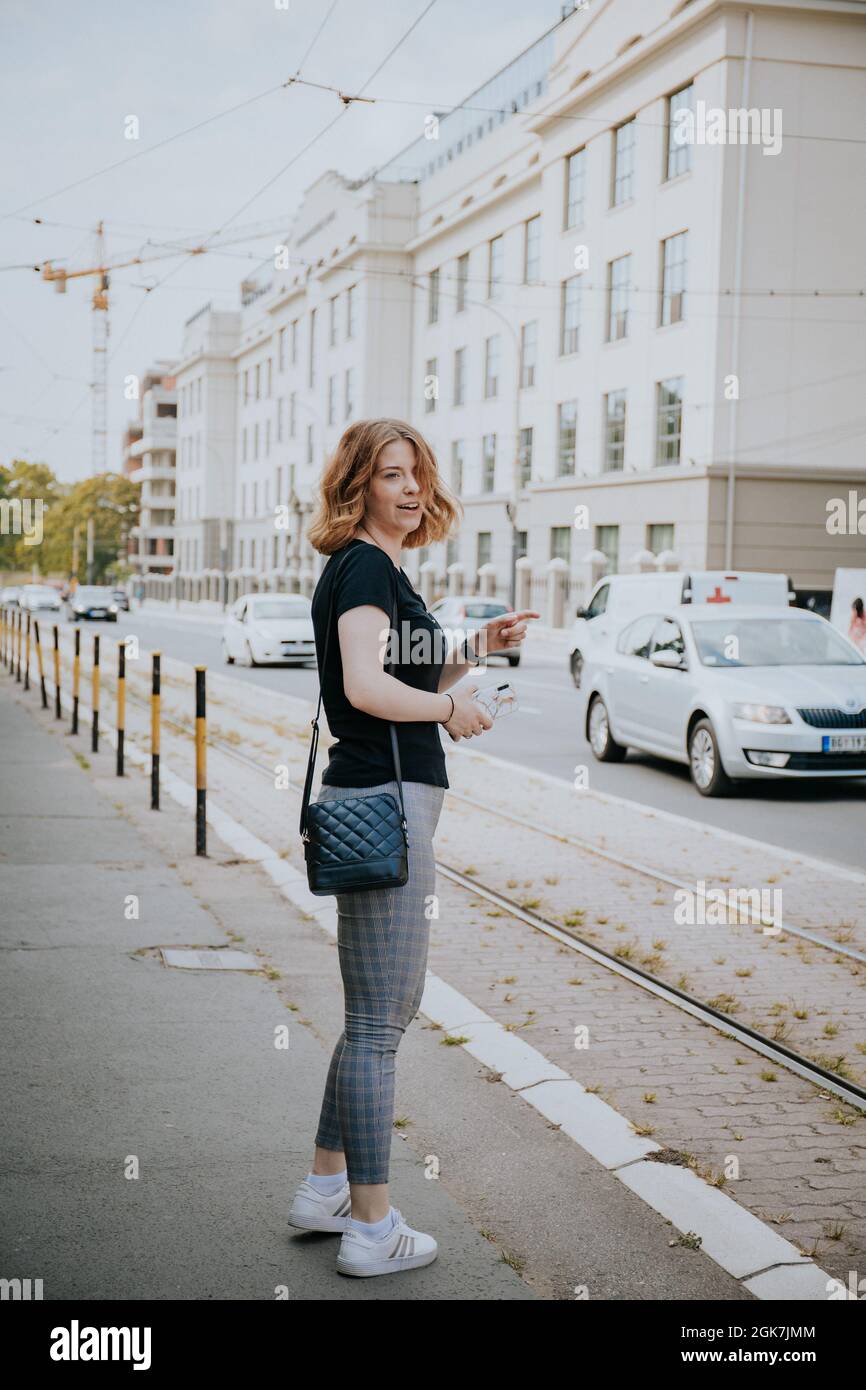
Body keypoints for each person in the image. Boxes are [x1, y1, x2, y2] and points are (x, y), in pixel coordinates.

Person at [287, 418, 539, 1277]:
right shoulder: (362, 564)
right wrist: (451, 712)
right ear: (357, 484)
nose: (411, 489)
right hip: (385, 801)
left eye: (419, 475)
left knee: (371, 1017)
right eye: (391, 474)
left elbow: (409, 674)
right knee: (380, 1025)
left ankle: (325, 1190)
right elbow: (365, 688)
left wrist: (475, 651)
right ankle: (371, 1228)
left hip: (386, 799)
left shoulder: (383, 569)